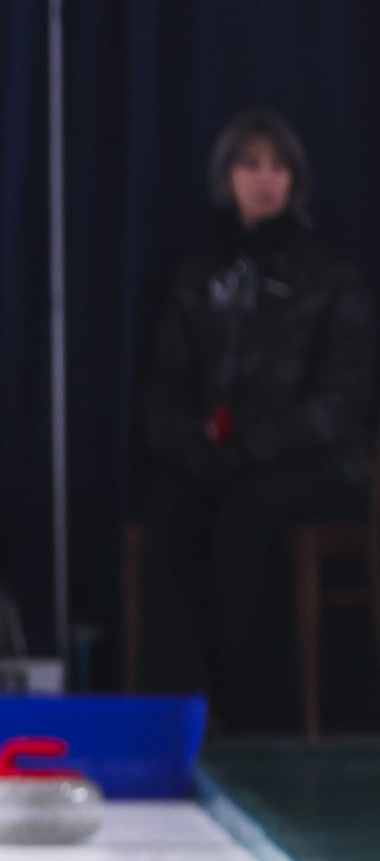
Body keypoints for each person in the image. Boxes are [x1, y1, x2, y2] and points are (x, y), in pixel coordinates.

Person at [135, 108, 376, 731]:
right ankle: (185, 709)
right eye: (251, 164)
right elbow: (165, 384)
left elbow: (345, 399)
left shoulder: (331, 276)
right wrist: (191, 443)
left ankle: (250, 712)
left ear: (296, 180)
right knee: (168, 514)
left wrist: (259, 444)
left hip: (312, 463)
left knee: (247, 516)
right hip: (219, 457)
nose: (266, 179)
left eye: (279, 166)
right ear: (227, 177)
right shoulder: (198, 274)